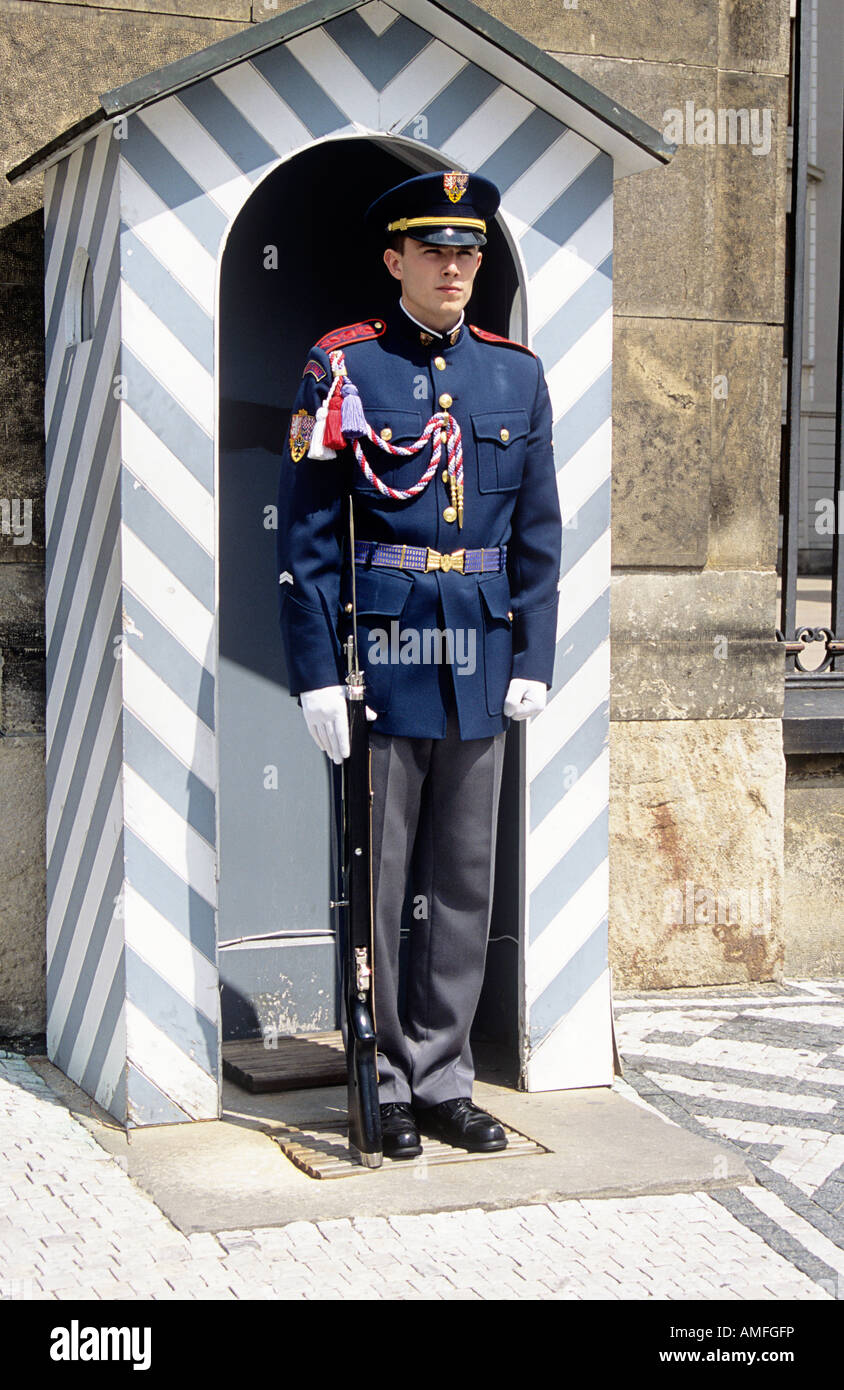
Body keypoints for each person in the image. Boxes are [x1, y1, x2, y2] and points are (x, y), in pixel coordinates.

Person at [277, 171, 562, 1159]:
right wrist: (315, 667)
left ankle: (445, 1076)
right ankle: (386, 1078)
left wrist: (535, 647)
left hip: (480, 652)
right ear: (394, 258)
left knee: (464, 881)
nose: (454, 267)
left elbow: (537, 529)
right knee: (384, 875)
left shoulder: (515, 375)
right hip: (387, 654)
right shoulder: (342, 368)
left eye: (469, 252)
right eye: (434, 251)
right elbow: (309, 533)